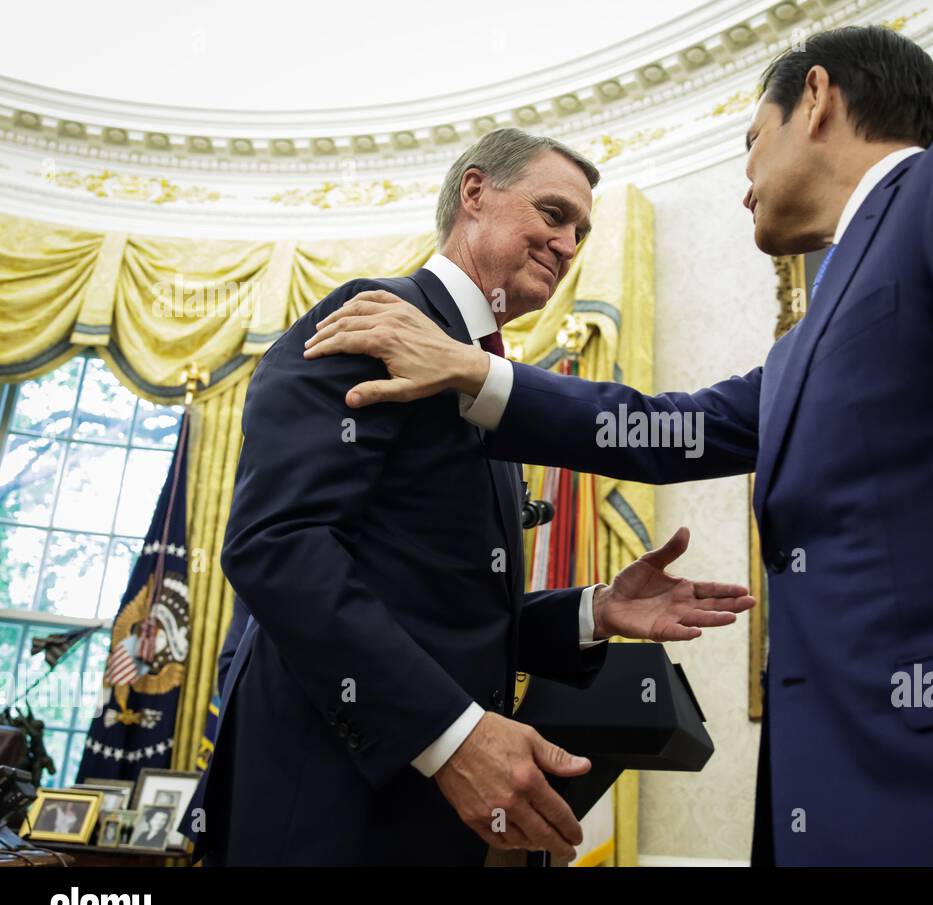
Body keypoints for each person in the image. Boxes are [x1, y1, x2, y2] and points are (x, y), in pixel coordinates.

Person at [304, 26, 933, 866]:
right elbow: (669, 427)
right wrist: (476, 375)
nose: (740, 185)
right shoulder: (813, 328)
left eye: (746, 142)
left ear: (814, 98)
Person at [195, 128, 754, 866]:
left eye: (581, 231)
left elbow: (438, 605)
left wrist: (594, 610)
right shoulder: (377, 321)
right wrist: (452, 734)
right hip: (324, 804)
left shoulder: (484, 376)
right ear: (475, 194)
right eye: (552, 213)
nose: (566, 243)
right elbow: (277, 549)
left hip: (422, 819)